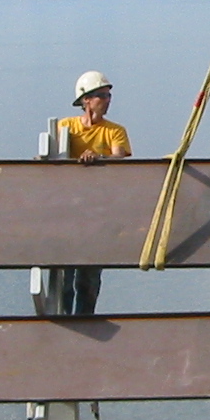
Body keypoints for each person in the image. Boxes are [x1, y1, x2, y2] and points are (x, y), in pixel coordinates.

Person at [56, 71, 131, 315]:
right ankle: (66, 324)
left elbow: (119, 157)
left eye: (108, 96)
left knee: (88, 279)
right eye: (101, 96)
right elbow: (56, 155)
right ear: (86, 100)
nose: (107, 100)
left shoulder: (114, 131)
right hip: (67, 210)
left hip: (99, 213)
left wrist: (98, 157)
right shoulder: (66, 127)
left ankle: (86, 319)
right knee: (65, 277)